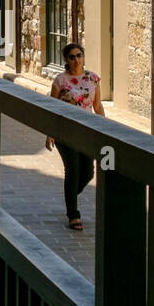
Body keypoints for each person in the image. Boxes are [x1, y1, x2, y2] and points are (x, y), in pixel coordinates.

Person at [46, 42, 104, 231]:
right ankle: (73, 214)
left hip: (86, 131)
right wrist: (50, 133)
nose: (76, 59)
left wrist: (105, 128)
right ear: (66, 60)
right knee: (73, 170)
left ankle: (70, 195)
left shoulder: (92, 79)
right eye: (72, 57)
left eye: (79, 55)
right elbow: (52, 108)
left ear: (83, 57)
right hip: (65, 131)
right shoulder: (60, 81)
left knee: (88, 172)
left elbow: (97, 106)